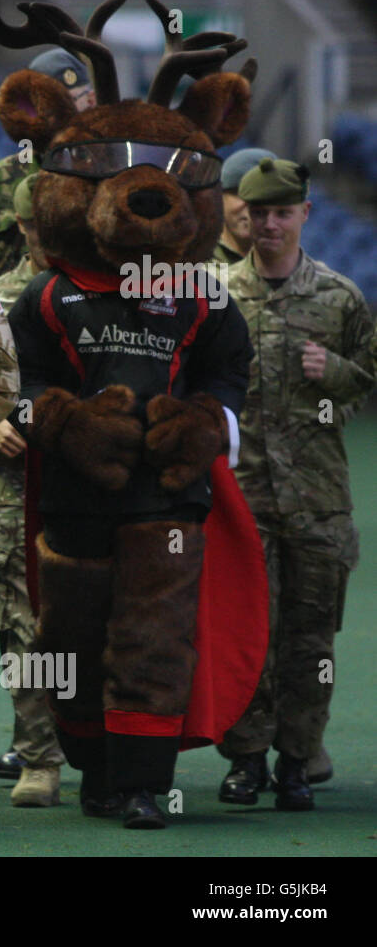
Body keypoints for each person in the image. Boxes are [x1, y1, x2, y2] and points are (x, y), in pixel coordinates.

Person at [217, 158, 375, 810]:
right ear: (244, 218)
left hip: (317, 504)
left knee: (312, 642)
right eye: (259, 213)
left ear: (305, 215)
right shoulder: (219, 295)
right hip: (243, 502)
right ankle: (248, 759)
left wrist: (334, 371)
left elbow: (366, 380)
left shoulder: (340, 297)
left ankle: (297, 760)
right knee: (249, 634)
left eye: (284, 212)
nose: (271, 224)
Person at [0, 175, 66, 805]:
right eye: (31, 225)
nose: (41, 236)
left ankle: (111, 751)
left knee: (97, 622)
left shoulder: (101, 293)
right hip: (15, 491)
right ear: (17, 228)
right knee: (22, 626)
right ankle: (39, 758)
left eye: (51, 223)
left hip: (91, 485)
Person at [0, 49, 95, 280]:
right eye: (47, 104)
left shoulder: (108, 176)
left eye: (70, 101)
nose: (58, 114)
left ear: (92, 101)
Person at [211, 148, 276, 265]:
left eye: (263, 195)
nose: (252, 207)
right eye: (240, 193)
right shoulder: (196, 263)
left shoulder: (291, 268)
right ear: (220, 198)